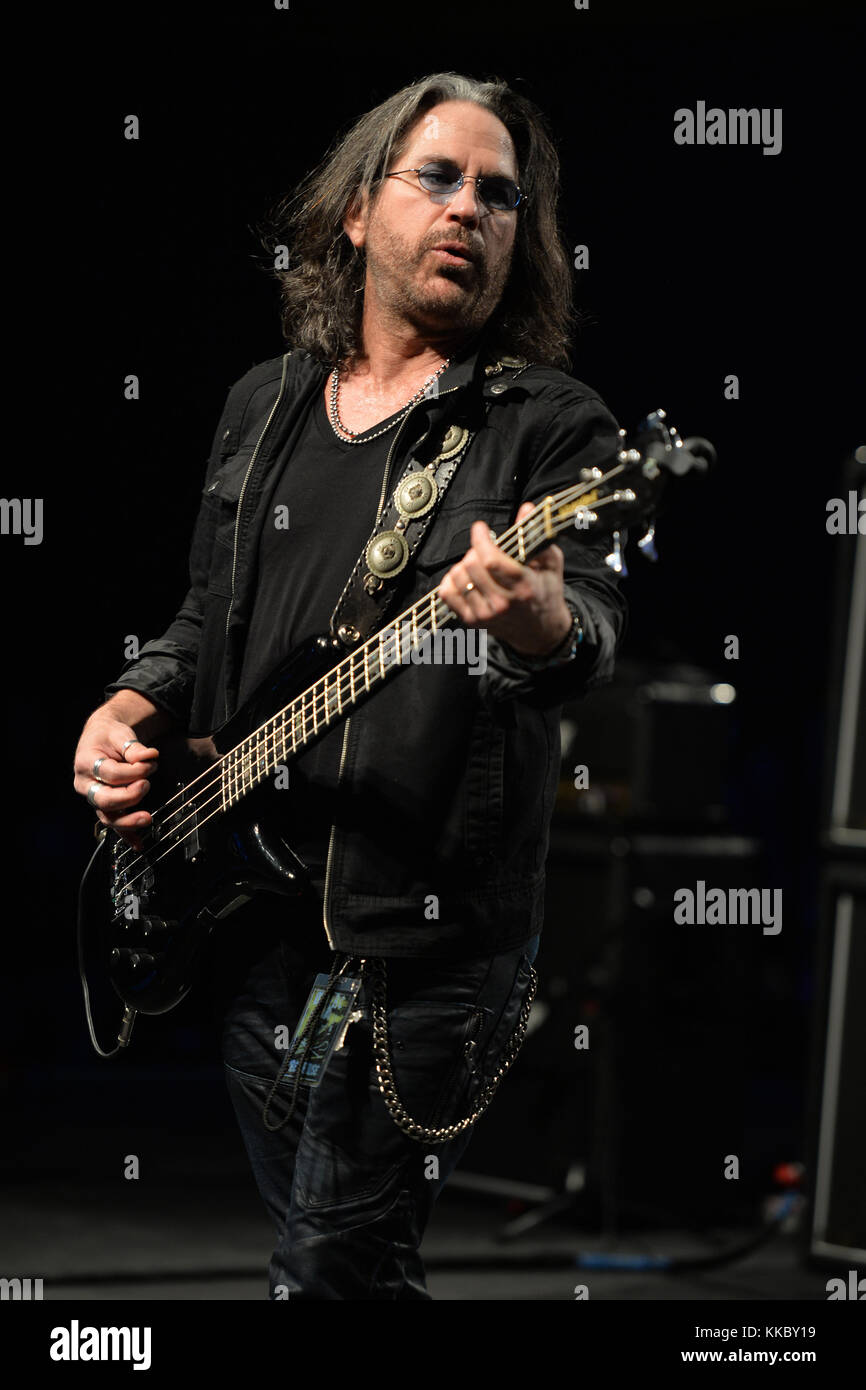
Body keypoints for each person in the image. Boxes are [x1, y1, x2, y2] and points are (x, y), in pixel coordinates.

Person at [72, 72, 627, 1299]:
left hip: (429, 940)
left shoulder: (548, 426)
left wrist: (534, 613)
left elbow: (588, 627)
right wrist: (129, 706)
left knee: (325, 1265)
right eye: (438, 177)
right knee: (349, 1268)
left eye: (500, 195)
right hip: (251, 903)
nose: (471, 210)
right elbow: (208, 622)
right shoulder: (262, 407)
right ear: (354, 214)